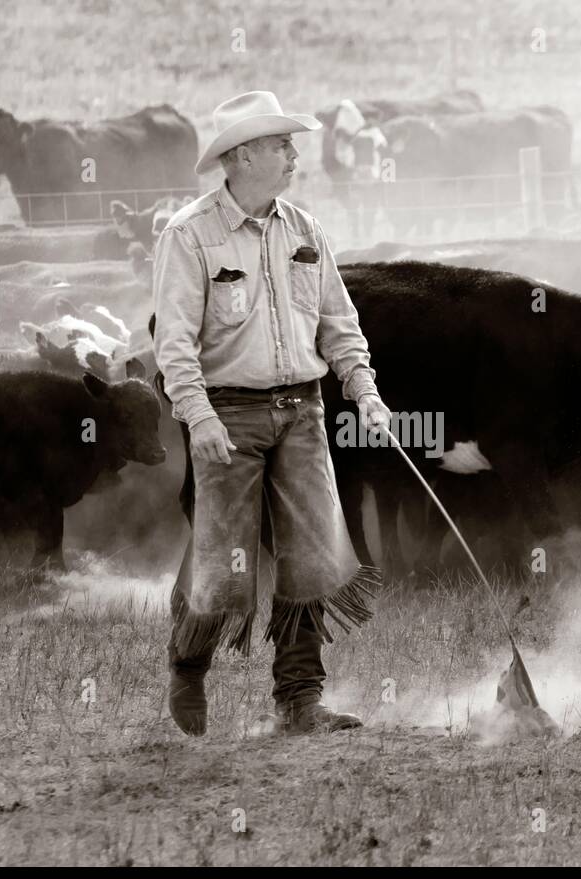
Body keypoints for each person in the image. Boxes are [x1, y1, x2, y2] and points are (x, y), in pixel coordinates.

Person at [152, 90, 391, 736]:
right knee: (223, 556)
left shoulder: (306, 231)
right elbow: (173, 344)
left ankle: (300, 701)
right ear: (243, 156)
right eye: (281, 144)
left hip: (304, 410)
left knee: (312, 556)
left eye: (290, 143)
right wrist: (197, 416)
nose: (293, 154)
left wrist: (364, 391)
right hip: (227, 414)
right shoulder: (188, 237)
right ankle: (188, 661)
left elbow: (340, 324)